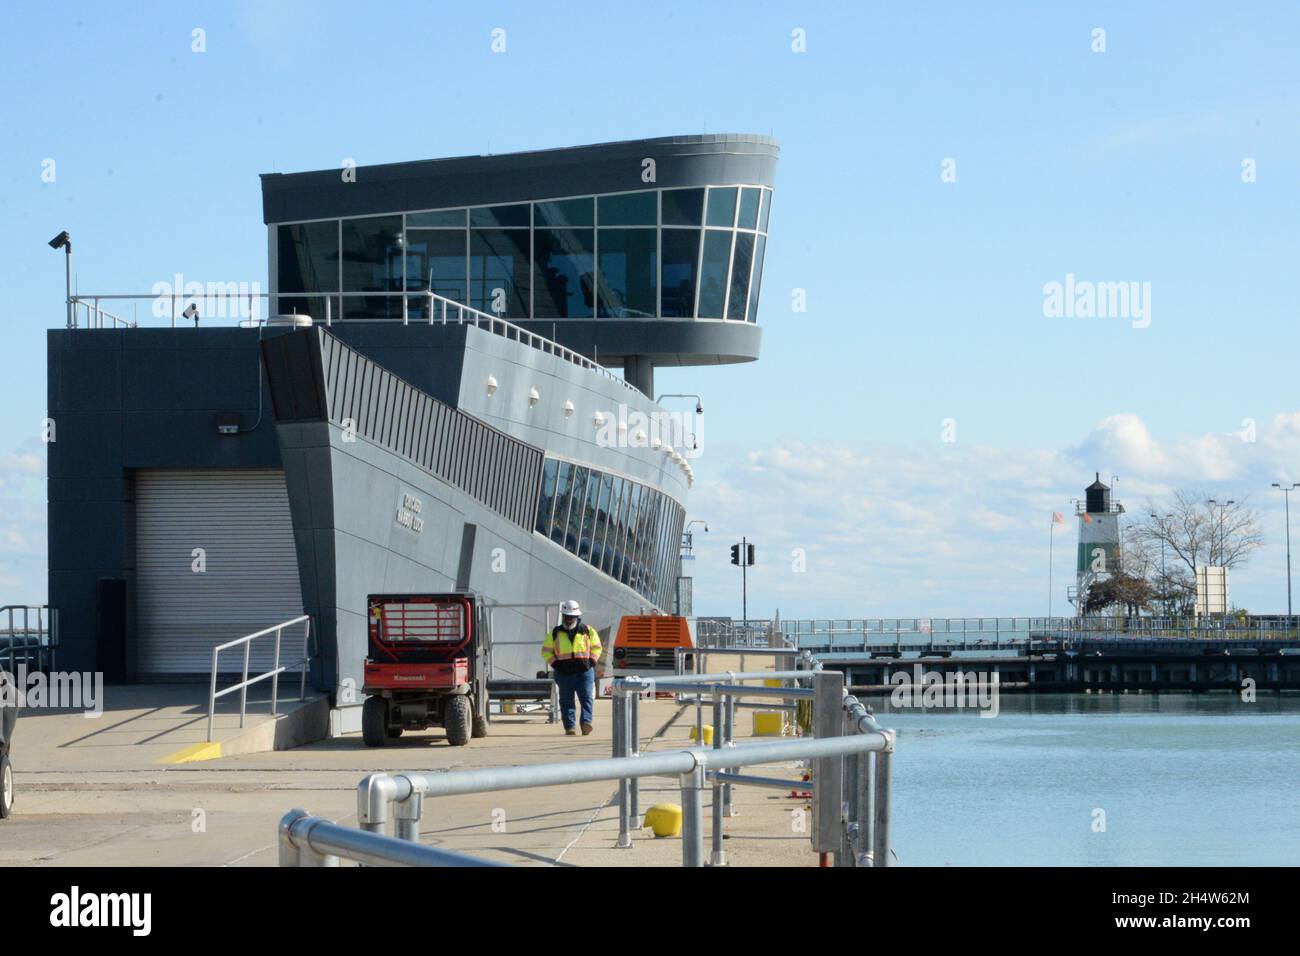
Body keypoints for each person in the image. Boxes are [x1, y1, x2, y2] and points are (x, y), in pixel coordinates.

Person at [541, 600, 602, 736]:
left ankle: (586, 723)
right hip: (564, 673)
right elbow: (546, 651)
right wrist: (556, 664)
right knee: (566, 700)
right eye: (567, 616)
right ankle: (570, 727)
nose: (569, 619)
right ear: (563, 616)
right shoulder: (555, 633)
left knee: (586, 697)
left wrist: (591, 661)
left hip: (584, 672)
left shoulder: (588, 631)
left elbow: (597, 648)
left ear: (577, 617)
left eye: (571, 617)